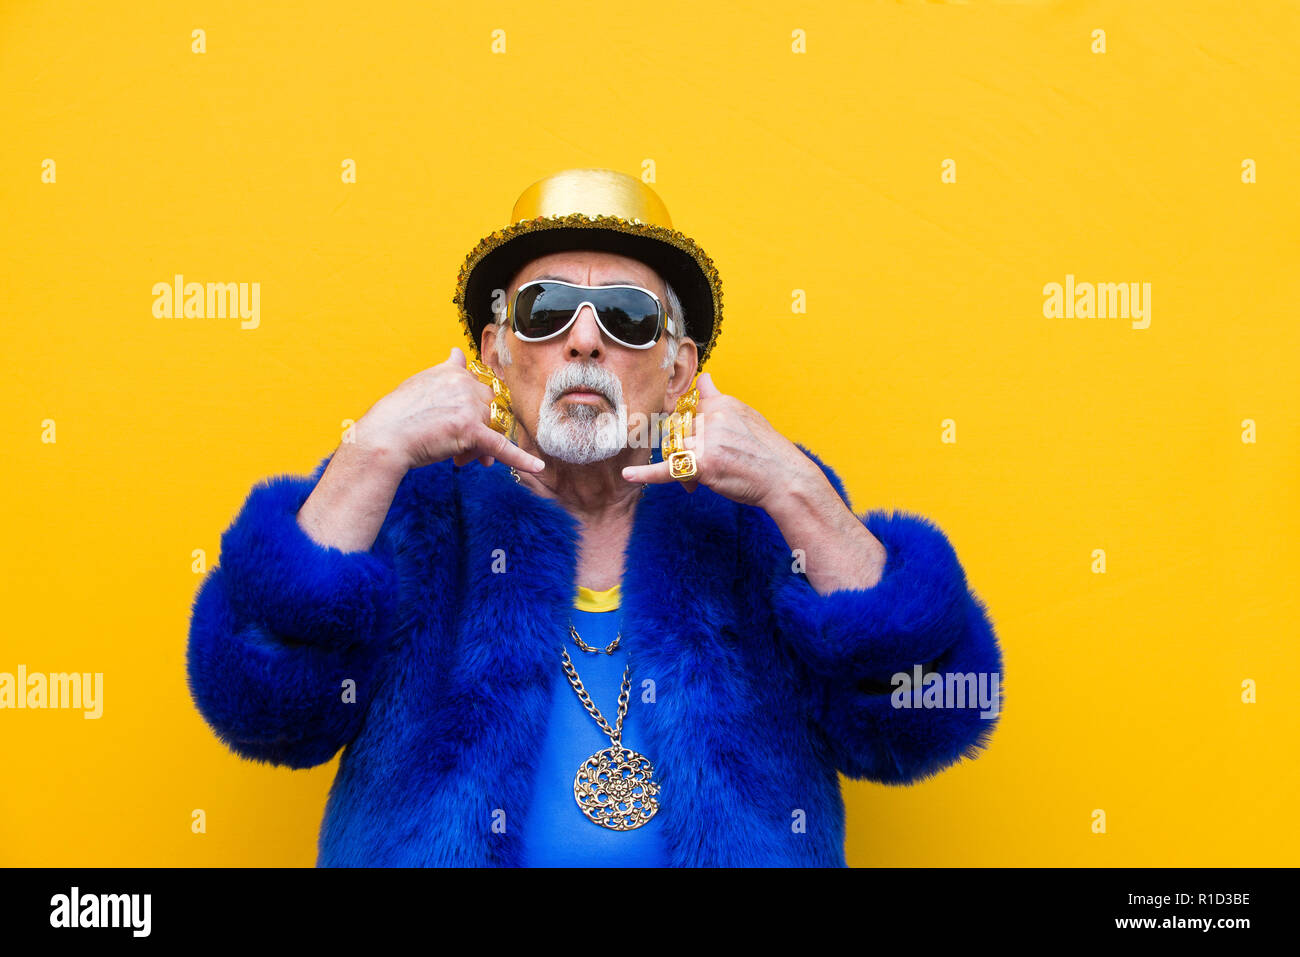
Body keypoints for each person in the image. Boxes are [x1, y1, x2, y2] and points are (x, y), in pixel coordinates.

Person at [186, 167, 1004, 866]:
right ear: (497, 351)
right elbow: (263, 706)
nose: (585, 339)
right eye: (545, 310)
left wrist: (795, 486)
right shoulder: (412, 511)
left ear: (679, 367)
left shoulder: (756, 522)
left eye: (628, 316)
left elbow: (922, 719)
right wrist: (371, 452)